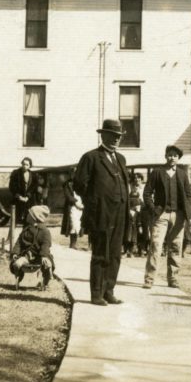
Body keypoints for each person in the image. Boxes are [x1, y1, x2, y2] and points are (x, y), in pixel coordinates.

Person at [74, 119, 131, 306]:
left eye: (119, 137)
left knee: (115, 254)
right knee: (100, 254)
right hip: (101, 214)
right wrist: (95, 202)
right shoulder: (90, 158)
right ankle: (96, 294)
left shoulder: (121, 159)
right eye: (112, 136)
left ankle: (109, 291)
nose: (116, 140)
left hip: (120, 213)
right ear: (103, 135)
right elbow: (79, 185)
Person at [143, 145, 191, 289]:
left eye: (175, 156)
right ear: (166, 156)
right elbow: (147, 193)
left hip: (178, 215)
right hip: (161, 215)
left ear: (178, 158)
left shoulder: (183, 174)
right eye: (170, 155)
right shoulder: (157, 172)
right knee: (155, 246)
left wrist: (187, 212)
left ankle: (173, 279)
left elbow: (189, 194)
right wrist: (153, 209)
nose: (172, 158)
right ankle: (149, 279)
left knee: (176, 247)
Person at [10, 205, 55, 290]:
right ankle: (19, 277)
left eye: (29, 214)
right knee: (16, 264)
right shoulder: (26, 230)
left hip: (39, 256)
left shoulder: (44, 231)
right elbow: (19, 242)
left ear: (34, 217)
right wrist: (15, 253)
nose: (27, 215)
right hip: (26, 256)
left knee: (47, 264)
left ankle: (46, 281)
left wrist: (44, 255)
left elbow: (46, 244)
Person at [8, 158, 40, 225]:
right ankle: (12, 235)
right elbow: (12, 186)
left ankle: (26, 234)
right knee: (15, 220)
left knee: (28, 220)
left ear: (30, 166)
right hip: (17, 200)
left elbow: (34, 187)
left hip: (29, 201)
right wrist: (19, 196)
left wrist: (28, 197)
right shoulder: (15, 173)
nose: (24, 166)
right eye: (23, 164)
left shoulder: (33, 175)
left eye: (26, 165)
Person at [123, 174, 141, 257]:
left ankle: (131, 251)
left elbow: (140, 208)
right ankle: (125, 251)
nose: (134, 188)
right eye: (133, 186)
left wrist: (138, 209)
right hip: (129, 216)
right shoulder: (128, 197)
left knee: (134, 235)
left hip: (135, 218)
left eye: (136, 187)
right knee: (127, 235)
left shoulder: (139, 199)